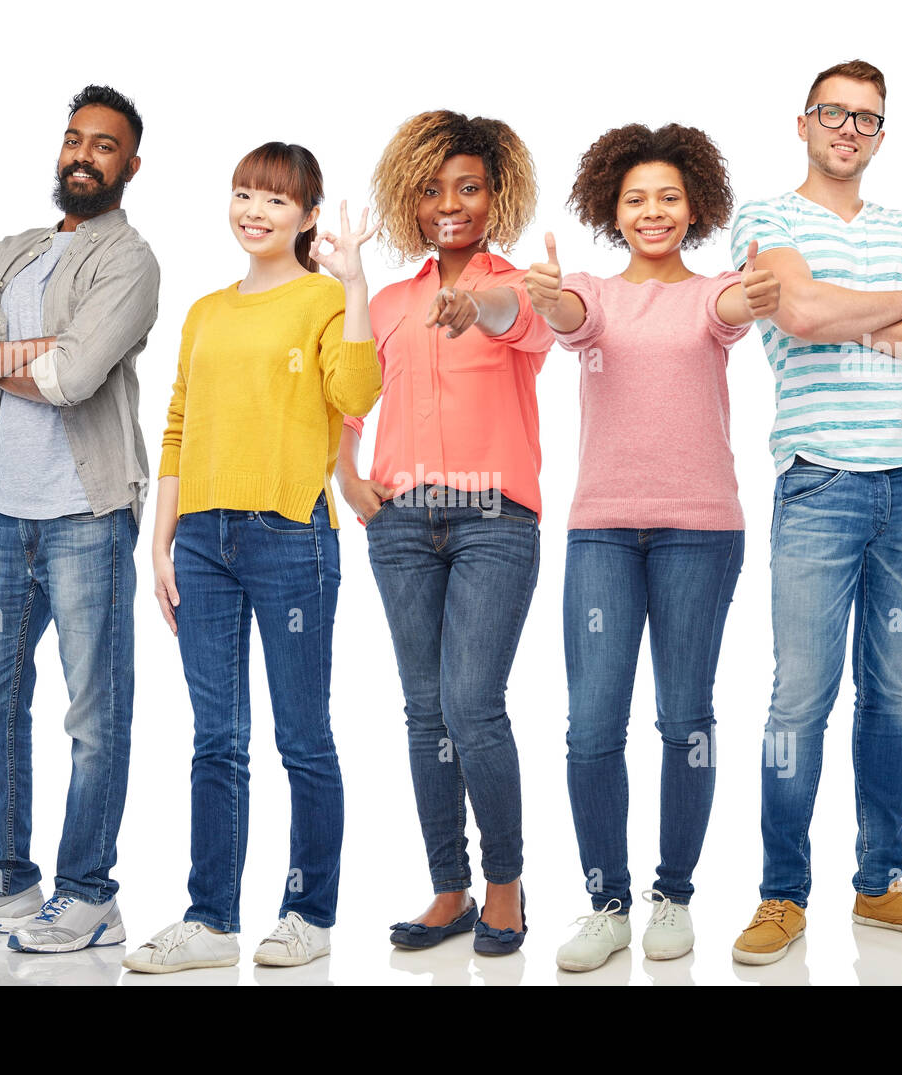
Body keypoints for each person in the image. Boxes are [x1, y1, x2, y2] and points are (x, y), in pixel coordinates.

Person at [728, 59, 902, 965]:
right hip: (820, 482)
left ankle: (881, 883)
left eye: (867, 118)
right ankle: (780, 894)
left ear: (880, 134)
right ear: (803, 123)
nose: (849, 128)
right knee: (800, 697)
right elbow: (798, 310)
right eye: (833, 112)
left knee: (892, 694)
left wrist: (852, 313)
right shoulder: (765, 217)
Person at [523, 124, 779, 972]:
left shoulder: (714, 293)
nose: (653, 211)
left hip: (700, 531)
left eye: (669, 197)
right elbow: (569, 318)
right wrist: (547, 295)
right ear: (613, 209)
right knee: (592, 724)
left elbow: (735, 311)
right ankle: (607, 903)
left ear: (694, 207)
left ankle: (674, 894)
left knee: (684, 718)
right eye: (636, 198)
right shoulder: (591, 292)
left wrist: (759, 289)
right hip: (602, 529)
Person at [0, 85, 159, 954]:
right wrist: (30, 355)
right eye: (74, 139)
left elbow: (74, 379)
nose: (83, 155)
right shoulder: (12, 252)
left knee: (95, 713)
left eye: (104, 144)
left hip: (87, 515)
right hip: (5, 515)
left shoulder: (131, 262)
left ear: (131, 165)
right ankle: (8, 878)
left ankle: (89, 894)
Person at [122, 143, 381, 973]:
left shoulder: (322, 299)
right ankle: (211, 921)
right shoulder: (204, 311)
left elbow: (356, 394)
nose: (254, 211)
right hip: (201, 541)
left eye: (274, 199)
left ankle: (308, 914)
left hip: (291, 536)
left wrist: (355, 287)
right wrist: (160, 542)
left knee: (302, 737)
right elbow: (177, 426)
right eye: (243, 193)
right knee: (216, 739)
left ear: (308, 216)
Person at [335, 111, 553, 955]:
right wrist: (348, 475)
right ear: (412, 201)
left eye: (469, 188)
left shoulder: (524, 288)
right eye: (433, 190)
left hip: (495, 520)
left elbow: (513, 317)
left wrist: (476, 303)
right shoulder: (390, 303)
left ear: (498, 196)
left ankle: (506, 885)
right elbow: (351, 396)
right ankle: (449, 888)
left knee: (472, 704)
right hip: (400, 525)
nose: (451, 204)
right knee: (425, 711)